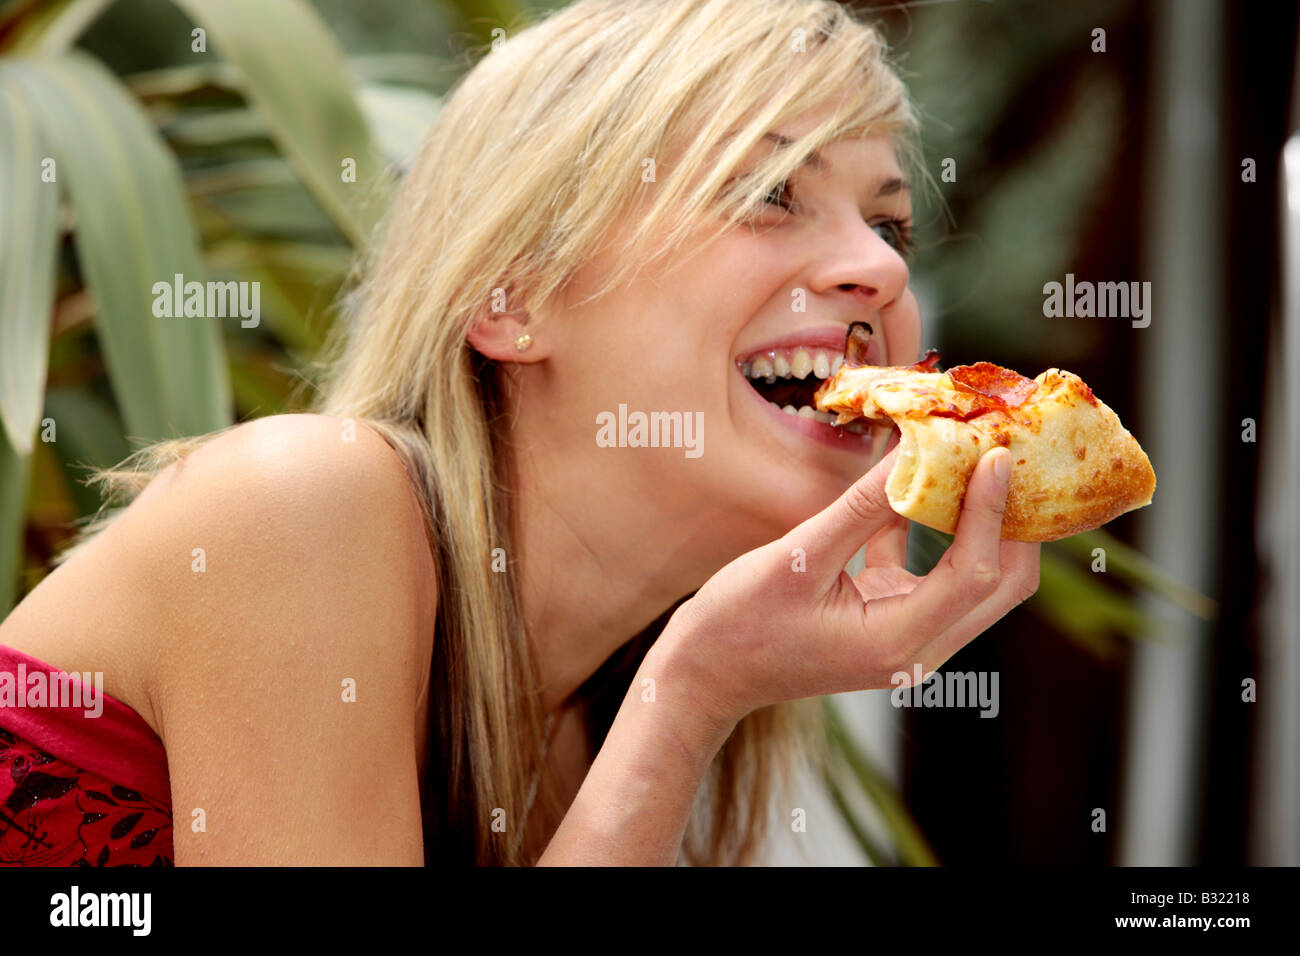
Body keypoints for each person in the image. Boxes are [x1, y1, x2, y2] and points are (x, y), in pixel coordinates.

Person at [0, 0, 1039, 866]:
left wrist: (690, 696)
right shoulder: (302, 503)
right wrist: (692, 695)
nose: (885, 269)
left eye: (889, 224)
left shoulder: (596, 717)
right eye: (767, 193)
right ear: (514, 296)